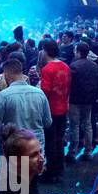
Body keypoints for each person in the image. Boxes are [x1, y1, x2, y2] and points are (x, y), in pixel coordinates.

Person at [0, 55, 51, 149]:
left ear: (6, 74)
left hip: (13, 146)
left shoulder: (3, 96)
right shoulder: (40, 93)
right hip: (36, 145)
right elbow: (48, 122)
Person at [37, 39, 71, 182]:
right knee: (59, 140)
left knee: (50, 142)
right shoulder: (65, 66)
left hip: (50, 110)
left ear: (46, 51)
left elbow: (45, 92)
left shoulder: (47, 69)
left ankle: (51, 173)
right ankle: (59, 170)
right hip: (63, 108)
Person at [67, 41, 98, 161]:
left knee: (74, 125)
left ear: (78, 52)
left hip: (75, 99)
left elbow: (70, 83)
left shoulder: (74, 66)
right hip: (89, 99)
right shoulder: (94, 65)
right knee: (87, 124)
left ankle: (72, 152)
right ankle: (88, 151)